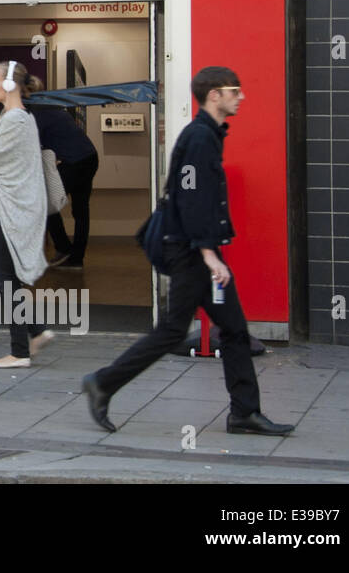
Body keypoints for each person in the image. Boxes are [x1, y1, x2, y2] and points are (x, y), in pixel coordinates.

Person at [82, 68, 295, 436]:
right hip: (193, 253)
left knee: (233, 329)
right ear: (214, 95)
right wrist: (209, 254)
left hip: (199, 250)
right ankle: (103, 382)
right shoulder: (199, 137)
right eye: (235, 91)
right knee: (172, 331)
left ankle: (244, 412)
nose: (241, 96)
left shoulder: (207, 135)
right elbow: (192, 199)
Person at [0, 60, 52, 368]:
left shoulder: (14, 121)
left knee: (4, 277)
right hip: (15, 209)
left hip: (17, 212)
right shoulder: (19, 118)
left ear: (8, 85)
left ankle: (20, 351)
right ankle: (35, 331)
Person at [25, 76, 100, 270]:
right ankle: (76, 259)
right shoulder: (51, 107)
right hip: (89, 157)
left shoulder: (37, 113)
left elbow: (29, 145)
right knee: (81, 210)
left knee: (46, 204)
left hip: (75, 161)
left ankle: (64, 249)